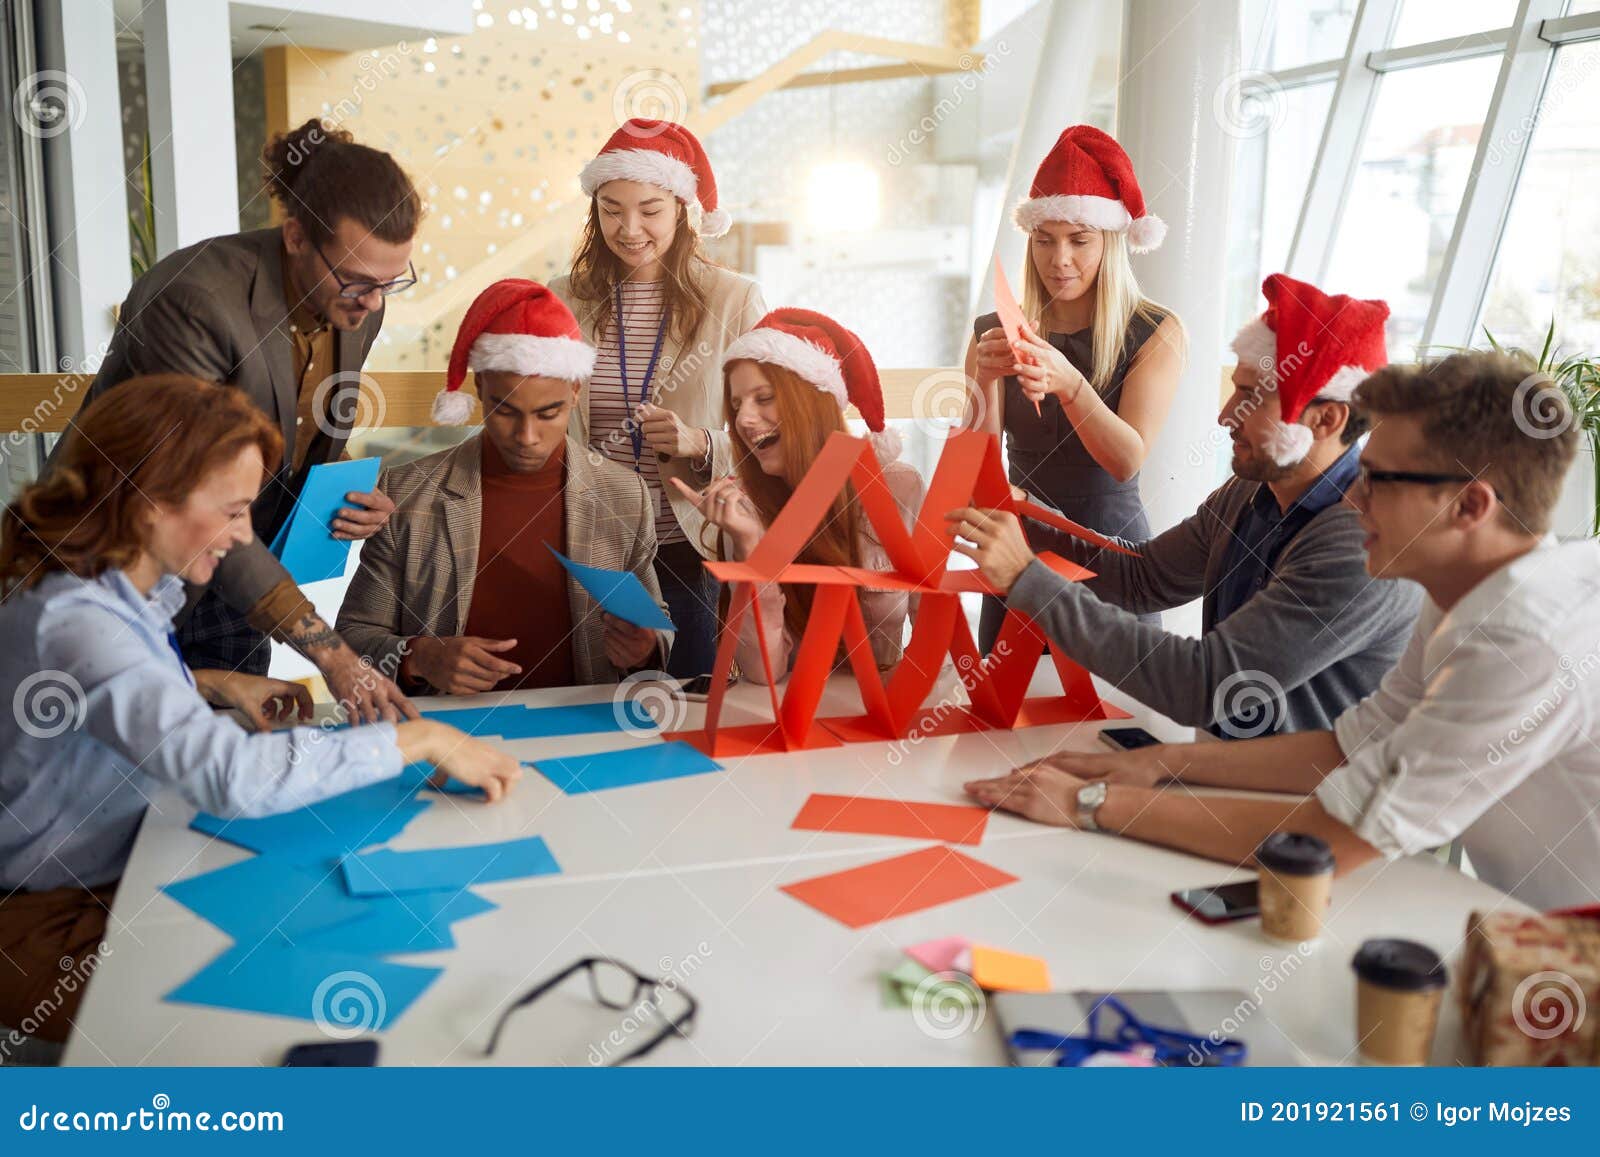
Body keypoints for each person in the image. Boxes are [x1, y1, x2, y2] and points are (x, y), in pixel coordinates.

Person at [964, 352, 1600, 913]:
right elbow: (1350, 746)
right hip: (1525, 924)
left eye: (1380, 480)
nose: (1356, 499)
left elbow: (1332, 838)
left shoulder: (1522, 638)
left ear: (1469, 507)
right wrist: (1160, 762)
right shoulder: (1464, 588)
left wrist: (1092, 803)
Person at [0, 377, 522, 1043]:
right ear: (148, 499)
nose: (243, 534)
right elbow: (230, 775)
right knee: (258, 1011)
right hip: (49, 913)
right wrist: (416, 740)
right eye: (232, 509)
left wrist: (214, 683)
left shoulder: (109, 583)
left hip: (126, 860)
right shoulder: (79, 620)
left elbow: (116, 693)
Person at [949, 275, 1421, 737]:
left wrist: (1027, 577)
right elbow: (1143, 578)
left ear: (1327, 418)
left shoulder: (1362, 545)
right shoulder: (1249, 493)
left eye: (1252, 396)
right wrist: (1025, 513)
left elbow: (1206, 685)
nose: (1224, 415)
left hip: (1295, 805)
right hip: (1227, 776)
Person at [74, 118, 422, 723]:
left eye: (390, 283)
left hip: (241, 578)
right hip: (123, 569)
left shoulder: (356, 305)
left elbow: (293, 433)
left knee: (234, 765)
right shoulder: (192, 300)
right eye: (358, 280)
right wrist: (331, 655)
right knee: (120, 780)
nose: (371, 303)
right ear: (294, 236)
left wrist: (347, 494)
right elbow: (197, 496)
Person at [337, 280, 671, 693]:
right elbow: (352, 638)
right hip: (447, 738)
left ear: (575, 392)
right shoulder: (407, 493)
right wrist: (419, 657)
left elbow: (655, 624)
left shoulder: (625, 495)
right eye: (505, 410)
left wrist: (646, 650)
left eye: (548, 413)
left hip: (585, 732)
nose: (526, 436)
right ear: (479, 390)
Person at [551, 119, 767, 680]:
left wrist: (700, 442)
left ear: (681, 209)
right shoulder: (564, 298)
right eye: (611, 209)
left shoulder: (735, 297)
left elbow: (774, 425)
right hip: (592, 539)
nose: (629, 228)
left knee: (687, 703)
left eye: (649, 209)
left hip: (685, 543)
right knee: (591, 701)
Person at [964, 124, 1185, 651]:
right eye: (1044, 240)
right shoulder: (992, 329)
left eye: (1079, 241)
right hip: (1017, 545)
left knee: (1114, 716)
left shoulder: (1155, 331)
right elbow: (977, 468)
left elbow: (1126, 460)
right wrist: (982, 381)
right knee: (1007, 718)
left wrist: (1071, 384)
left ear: (1109, 242)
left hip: (1108, 547)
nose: (1059, 259)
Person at [671, 309, 924, 682]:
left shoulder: (899, 487)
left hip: (885, 719)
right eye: (737, 404)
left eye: (764, 398)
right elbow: (762, 672)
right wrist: (751, 545)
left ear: (812, 402)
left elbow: (932, 625)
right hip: (792, 725)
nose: (743, 420)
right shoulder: (742, 511)